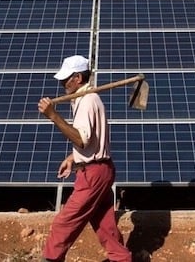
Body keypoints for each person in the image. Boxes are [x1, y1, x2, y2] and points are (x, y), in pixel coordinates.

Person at [37, 55, 133, 262]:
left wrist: (53, 116)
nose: (62, 84)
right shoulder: (85, 98)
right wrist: (74, 157)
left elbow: (81, 139)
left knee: (64, 223)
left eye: (65, 79)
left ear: (78, 77)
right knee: (104, 223)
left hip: (93, 173)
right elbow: (93, 139)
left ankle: (51, 259)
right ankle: (121, 258)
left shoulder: (88, 101)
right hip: (100, 168)